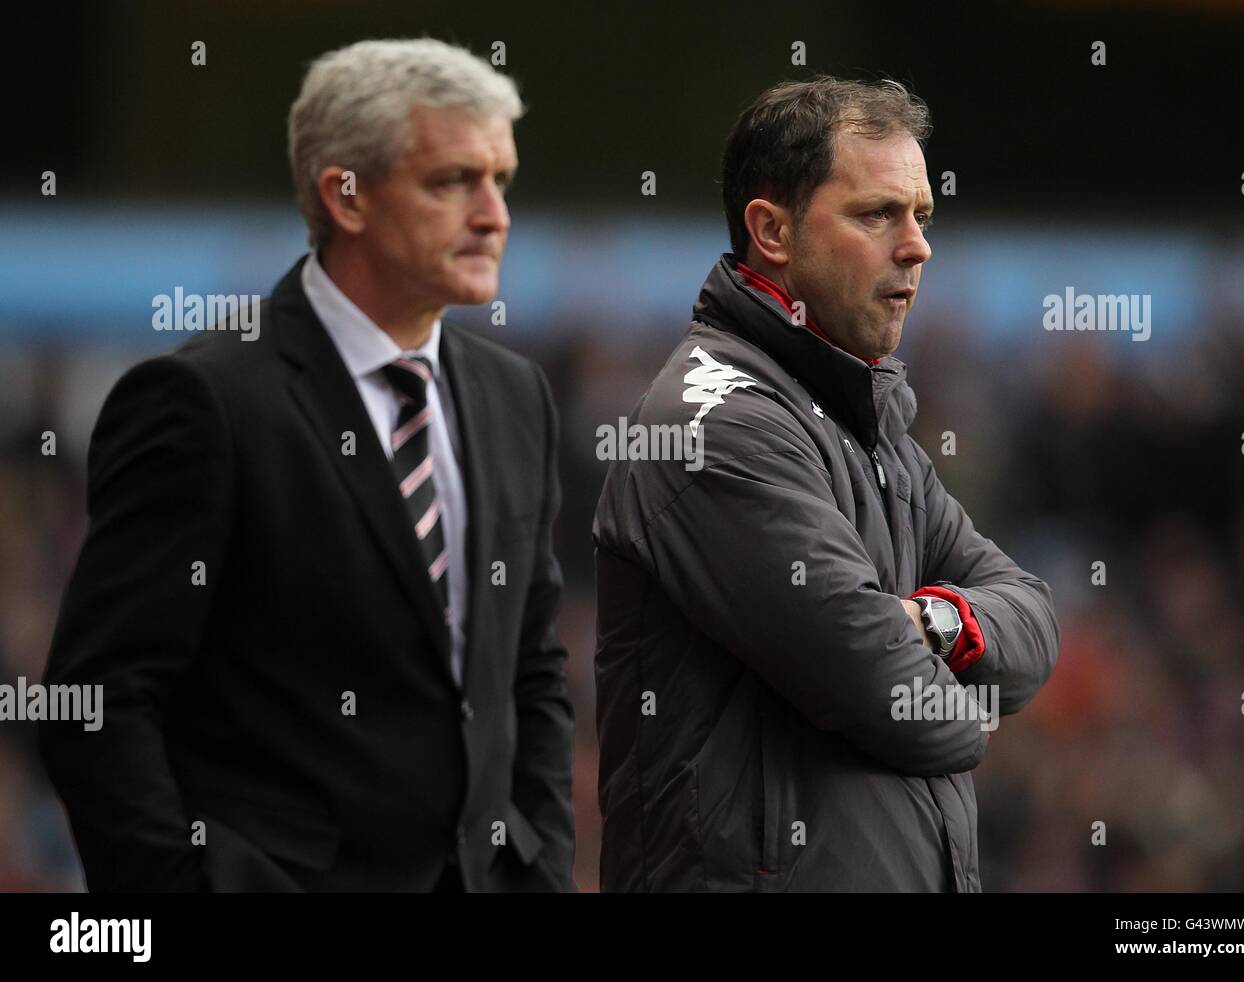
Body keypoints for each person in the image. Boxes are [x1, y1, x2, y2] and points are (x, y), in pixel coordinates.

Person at [40, 38, 576, 893]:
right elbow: (99, 700)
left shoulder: (516, 396)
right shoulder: (203, 401)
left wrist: (539, 867)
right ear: (347, 196)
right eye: (453, 181)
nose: (494, 214)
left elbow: (529, 669)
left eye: (501, 181)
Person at [593, 76, 1060, 891]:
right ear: (771, 231)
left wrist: (933, 620)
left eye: (922, 216)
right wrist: (960, 682)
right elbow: (923, 715)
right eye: (877, 214)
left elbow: (1034, 616)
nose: (916, 246)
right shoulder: (718, 425)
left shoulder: (858, 417)